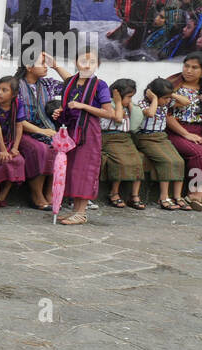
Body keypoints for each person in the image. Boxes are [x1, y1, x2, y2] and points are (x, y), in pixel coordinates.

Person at [50, 45, 117, 225]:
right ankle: (75, 211)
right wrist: (60, 111)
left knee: (85, 170)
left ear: (98, 65)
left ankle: (81, 212)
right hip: (71, 131)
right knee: (72, 169)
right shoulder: (72, 83)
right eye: (83, 61)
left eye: (92, 62)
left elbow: (108, 113)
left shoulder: (100, 85)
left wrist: (83, 106)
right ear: (76, 62)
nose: (87, 65)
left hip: (89, 132)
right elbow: (68, 95)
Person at [165, 51, 202, 212]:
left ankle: (196, 195)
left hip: (200, 131)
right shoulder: (171, 84)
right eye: (186, 66)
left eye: (194, 67)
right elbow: (165, 113)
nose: (189, 70)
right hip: (176, 131)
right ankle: (193, 193)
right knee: (200, 154)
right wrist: (186, 134)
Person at [13, 52, 64, 209]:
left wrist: (56, 65)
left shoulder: (48, 84)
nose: (45, 66)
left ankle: (49, 193)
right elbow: (17, 119)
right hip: (22, 131)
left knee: (59, 148)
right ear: (29, 67)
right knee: (40, 149)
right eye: (41, 63)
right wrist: (41, 132)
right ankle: (36, 195)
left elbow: (73, 85)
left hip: (47, 129)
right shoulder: (15, 86)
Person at [134, 79, 186, 209]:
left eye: (169, 98)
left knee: (179, 161)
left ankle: (177, 196)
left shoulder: (166, 103)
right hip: (145, 138)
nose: (168, 101)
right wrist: (155, 99)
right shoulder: (142, 104)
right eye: (165, 98)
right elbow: (150, 114)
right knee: (166, 161)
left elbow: (186, 102)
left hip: (162, 137)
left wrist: (170, 94)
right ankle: (163, 197)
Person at [99, 78, 145, 210]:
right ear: (117, 94)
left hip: (125, 139)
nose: (130, 100)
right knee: (120, 161)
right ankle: (114, 193)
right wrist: (119, 102)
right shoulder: (108, 105)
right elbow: (118, 119)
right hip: (109, 138)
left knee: (138, 160)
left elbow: (135, 125)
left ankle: (134, 195)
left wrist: (129, 105)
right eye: (129, 97)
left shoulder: (129, 107)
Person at [0, 75, 27, 209]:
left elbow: (19, 126)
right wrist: (3, 150)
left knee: (18, 160)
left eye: (4, 90)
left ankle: (5, 192)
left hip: (9, 140)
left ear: (14, 94)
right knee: (2, 159)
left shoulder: (18, 105)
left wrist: (15, 147)